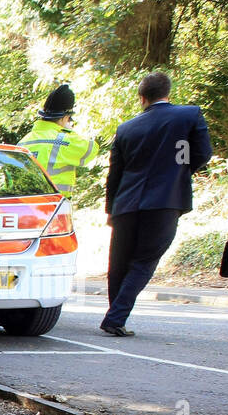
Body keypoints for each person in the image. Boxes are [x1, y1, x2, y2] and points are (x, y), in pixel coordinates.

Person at [101, 71, 212, 336]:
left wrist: (111, 210)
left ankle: (115, 316)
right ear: (168, 93)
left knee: (119, 263)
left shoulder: (126, 128)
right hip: (165, 202)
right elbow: (202, 153)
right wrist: (179, 170)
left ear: (142, 98)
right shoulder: (189, 115)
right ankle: (115, 318)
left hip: (126, 203)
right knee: (144, 260)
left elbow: (114, 172)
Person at [20, 84, 99, 193]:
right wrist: (70, 130)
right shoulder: (63, 141)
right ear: (66, 117)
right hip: (56, 204)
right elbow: (92, 150)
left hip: (28, 205)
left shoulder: (23, 142)